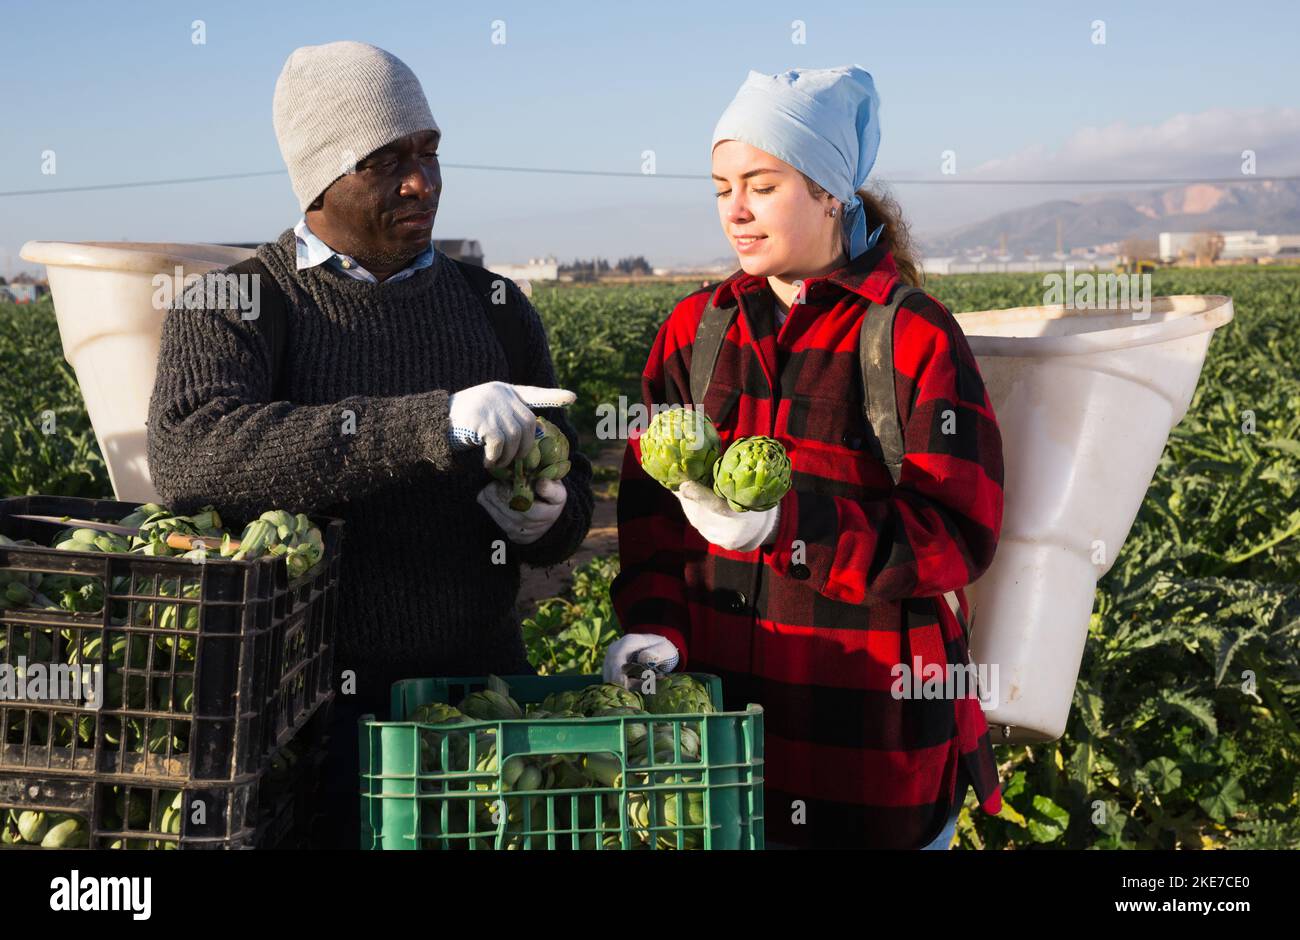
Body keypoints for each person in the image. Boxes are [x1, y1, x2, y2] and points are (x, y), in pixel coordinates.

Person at [146, 41, 593, 848]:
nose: (422, 180)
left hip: (482, 705)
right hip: (308, 728)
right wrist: (434, 425)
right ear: (319, 178)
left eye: (428, 152)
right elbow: (192, 453)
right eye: (385, 161)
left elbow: (569, 476)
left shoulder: (491, 305)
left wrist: (552, 518)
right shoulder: (237, 303)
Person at [603, 65, 1003, 850]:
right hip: (721, 761)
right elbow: (652, 520)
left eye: (762, 184)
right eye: (722, 188)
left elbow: (957, 535)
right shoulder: (697, 331)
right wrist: (656, 626)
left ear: (829, 192)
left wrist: (792, 527)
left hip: (867, 751)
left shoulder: (909, 335)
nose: (737, 212)